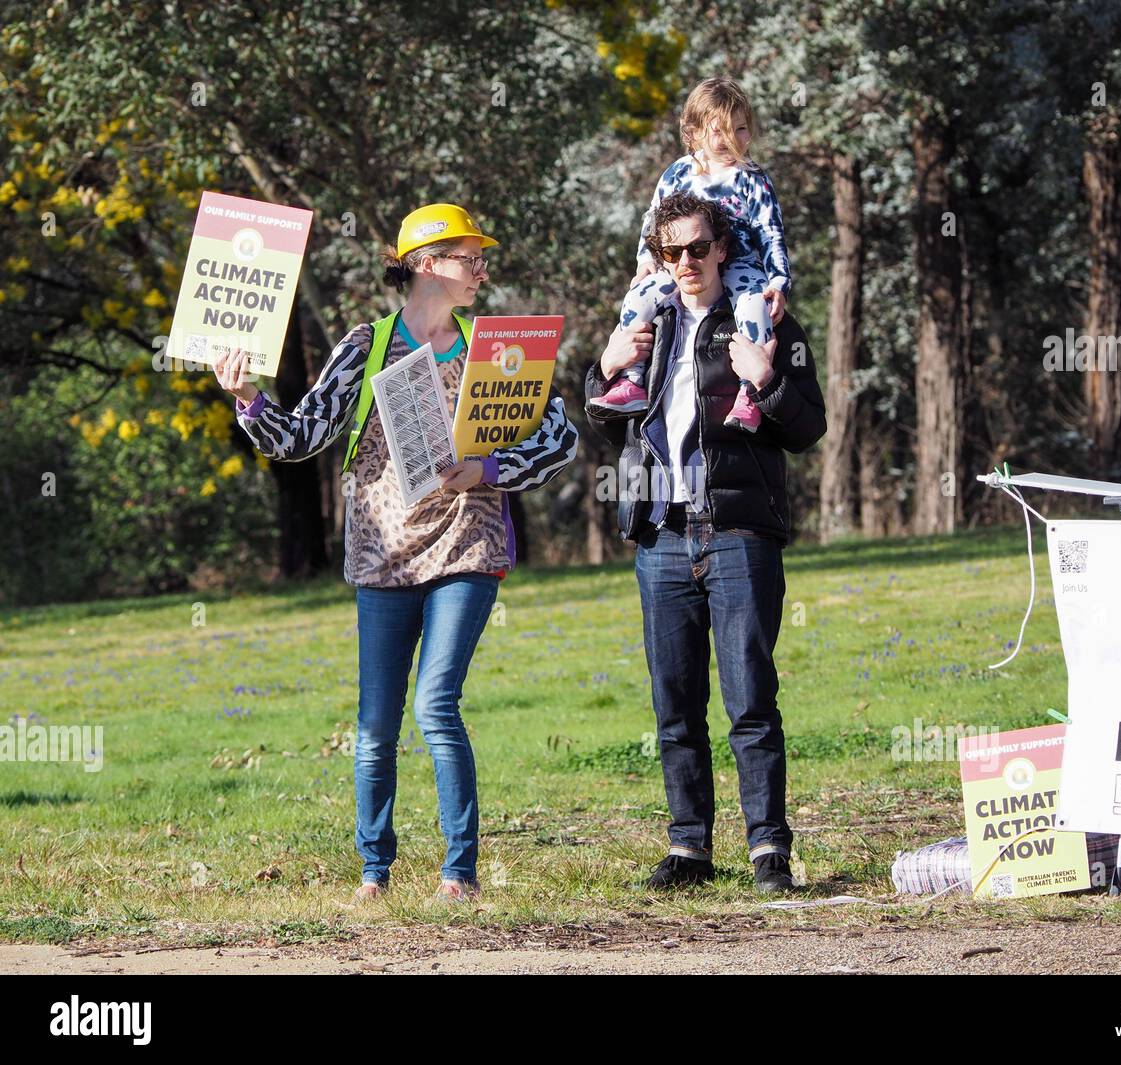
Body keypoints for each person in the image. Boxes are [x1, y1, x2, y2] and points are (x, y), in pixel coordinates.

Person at [213, 203, 578, 901]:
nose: (482, 268)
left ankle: (458, 874)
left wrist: (488, 470)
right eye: (470, 256)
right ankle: (373, 872)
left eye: (480, 256)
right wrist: (249, 397)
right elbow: (300, 437)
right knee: (376, 722)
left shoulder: (497, 345)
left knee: (436, 702)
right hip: (383, 553)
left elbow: (559, 439)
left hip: (467, 544)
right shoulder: (367, 344)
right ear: (425, 264)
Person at [584, 191, 826, 893]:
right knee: (674, 700)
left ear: (722, 247)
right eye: (671, 252)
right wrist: (603, 368)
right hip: (660, 531)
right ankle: (689, 848)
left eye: (697, 248)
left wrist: (768, 380)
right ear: (658, 257)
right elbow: (608, 420)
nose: (685, 263)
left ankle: (768, 849)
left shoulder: (764, 318)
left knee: (750, 697)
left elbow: (808, 426)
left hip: (738, 530)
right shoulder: (647, 323)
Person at [589, 76, 791, 434]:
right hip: (679, 261)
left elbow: (770, 230)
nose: (732, 140)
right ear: (694, 133)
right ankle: (631, 378)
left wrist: (778, 281)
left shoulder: (752, 178)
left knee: (753, 306)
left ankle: (748, 392)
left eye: (741, 129)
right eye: (719, 132)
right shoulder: (678, 173)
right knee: (640, 296)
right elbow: (654, 218)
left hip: (740, 263)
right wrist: (645, 261)